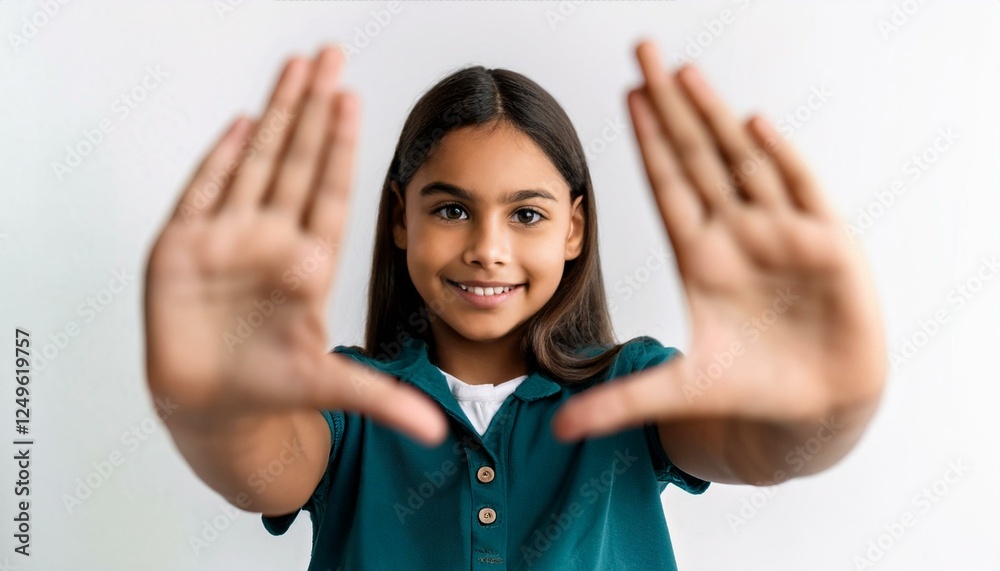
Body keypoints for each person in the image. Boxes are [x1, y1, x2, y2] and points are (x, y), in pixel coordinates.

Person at [142, 39, 887, 570]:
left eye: (526, 214)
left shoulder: (634, 389)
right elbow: (261, 466)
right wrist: (213, 409)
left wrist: (832, 408)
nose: (487, 248)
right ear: (401, 217)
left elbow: (765, 442)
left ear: (574, 227)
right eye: (450, 210)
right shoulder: (346, 402)